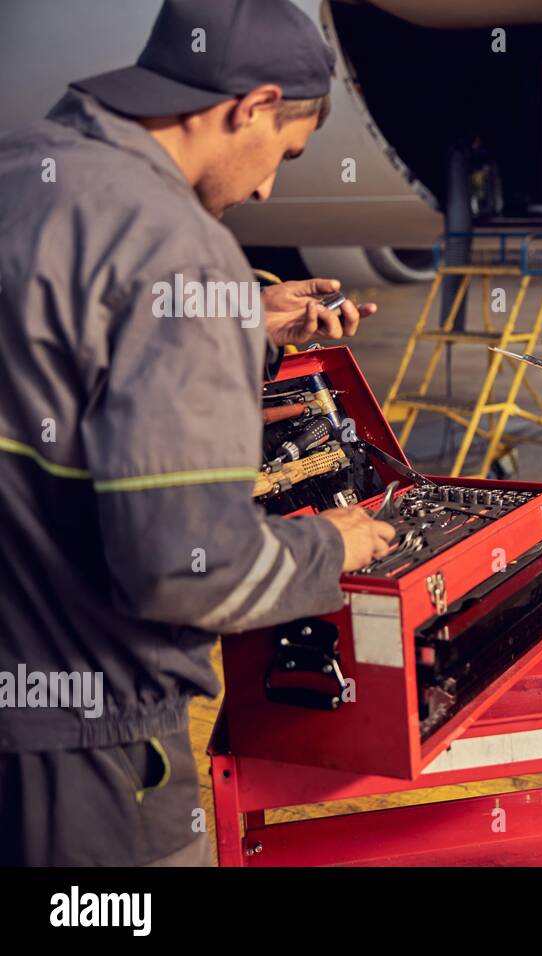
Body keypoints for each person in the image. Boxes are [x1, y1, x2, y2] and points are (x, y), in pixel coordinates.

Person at [0, 0, 394, 865]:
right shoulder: (177, 245)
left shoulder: (25, 169)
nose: (263, 191)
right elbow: (186, 571)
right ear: (249, 106)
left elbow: (64, 337)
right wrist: (330, 546)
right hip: (84, 754)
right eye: (283, 156)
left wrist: (237, 316)